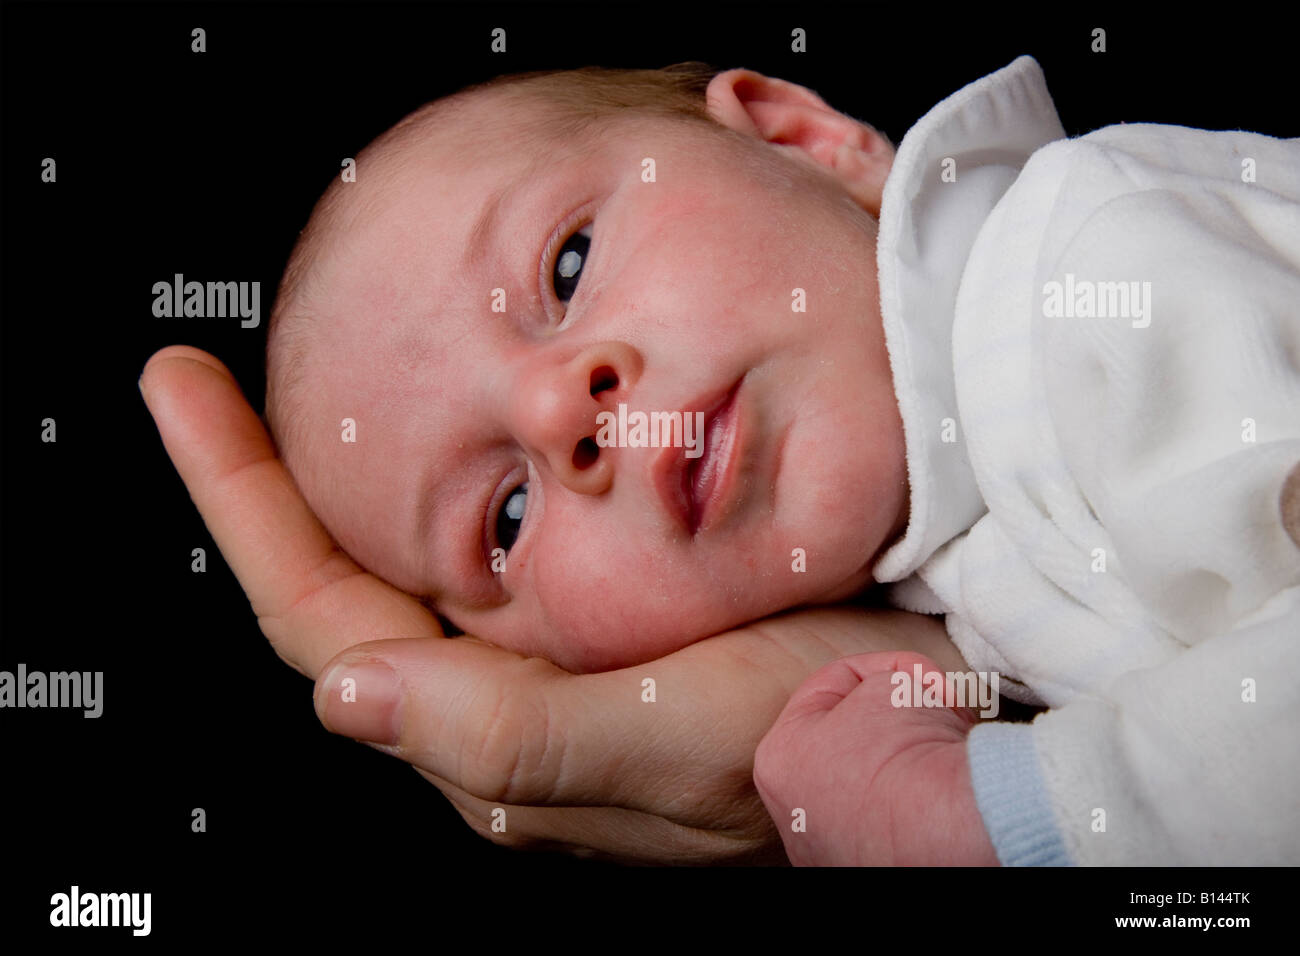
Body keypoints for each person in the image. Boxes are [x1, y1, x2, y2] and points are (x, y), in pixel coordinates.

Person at [142, 56, 1300, 865]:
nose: (561, 412)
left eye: (568, 262)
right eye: (502, 518)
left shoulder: (1088, 268)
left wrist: (1022, 817)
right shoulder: (970, 569)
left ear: (804, 139)